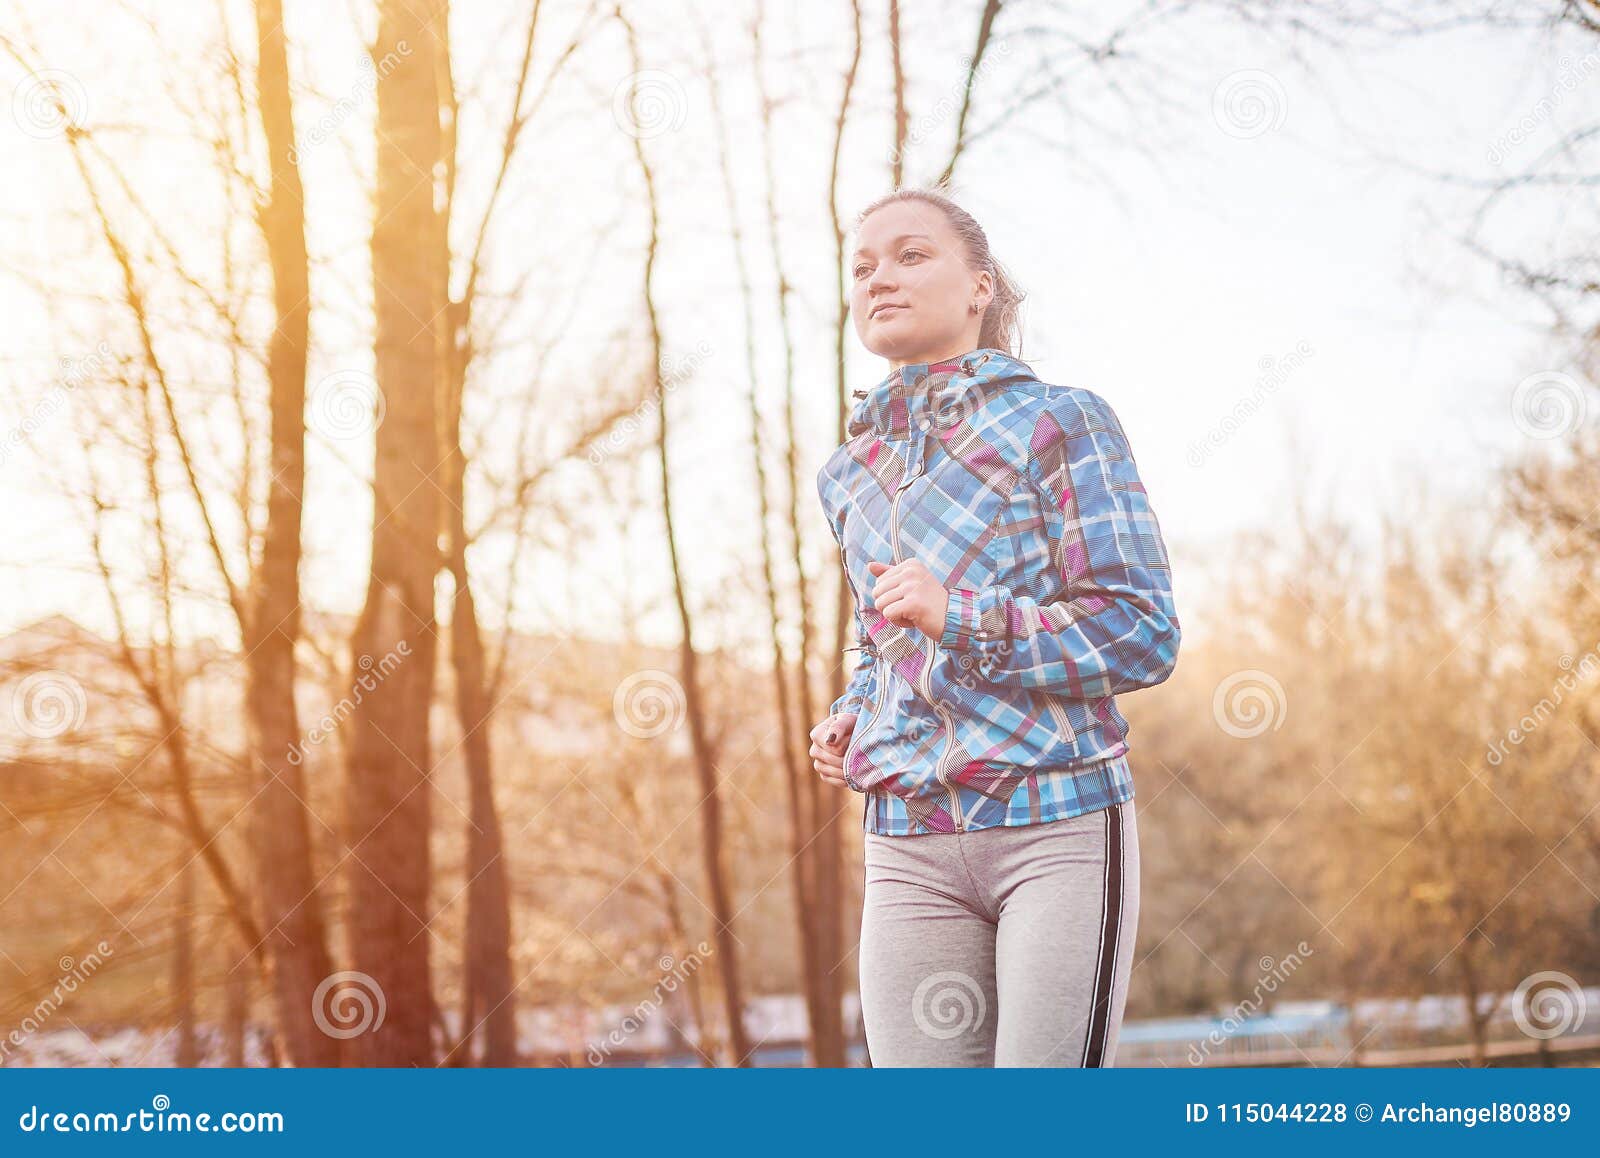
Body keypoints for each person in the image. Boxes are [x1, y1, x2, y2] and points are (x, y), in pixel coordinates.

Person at [811, 188, 1182, 1067]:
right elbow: (890, 649)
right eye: (862, 267)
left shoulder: (1060, 421)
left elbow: (1140, 630)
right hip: (906, 840)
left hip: (1054, 820)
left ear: (981, 287)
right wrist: (856, 709)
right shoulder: (847, 473)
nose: (879, 280)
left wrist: (962, 616)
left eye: (910, 256)